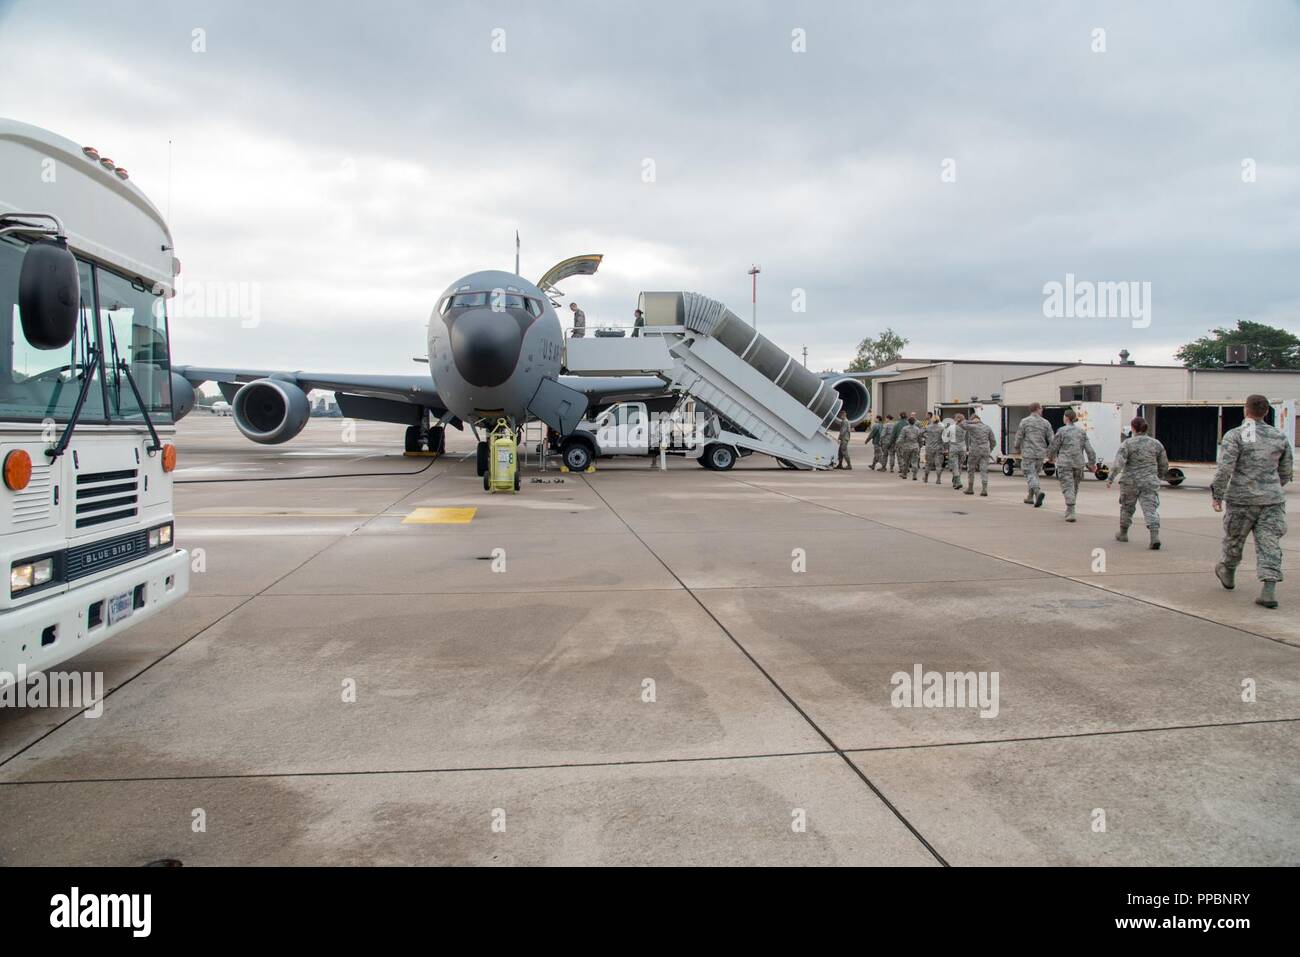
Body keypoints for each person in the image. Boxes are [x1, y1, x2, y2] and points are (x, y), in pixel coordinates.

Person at [1211, 394, 1293, 609]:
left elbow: (1225, 468)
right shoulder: (1278, 436)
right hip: (1272, 500)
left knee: (1234, 540)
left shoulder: (1236, 435)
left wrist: (1217, 495)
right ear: (1266, 412)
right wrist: (1270, 487)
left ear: (1245, 410)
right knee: (1270, 544)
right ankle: (1268, 590)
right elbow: (1285, 472)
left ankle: (1228, 570)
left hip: (1241, 499)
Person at [1108, 416, 1169, 549]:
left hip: (1130, 482)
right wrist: (1159, 476)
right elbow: (1164, 464)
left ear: (1133, 428)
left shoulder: (1127, 444)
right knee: (1150, 509)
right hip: (1149, 482)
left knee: (1127, 507)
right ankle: (1154, 536)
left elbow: (1119, 463)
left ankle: (1123, 533)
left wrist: (1110, 478)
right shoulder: (1156, 444)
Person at [1046, 409, 1096, 522]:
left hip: (1065, 463)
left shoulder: (1062, 431)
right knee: (1074, 487)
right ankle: (1070, 509)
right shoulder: (1081, 432)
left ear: (1067, 418)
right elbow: (1090, 450)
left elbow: (1054, 446)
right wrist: (1091, 463)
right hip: (1078, 463)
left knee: (1067, 487)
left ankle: (1071, 510)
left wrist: (1050, 457)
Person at [1013, 402, 1055, 508]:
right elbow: (1052, 439)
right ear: (1037, 409)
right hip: (1040, 453)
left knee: (1030, 474)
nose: (1042, 410)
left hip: (1028, 453)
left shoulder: (1024, 421)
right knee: (1035, 475)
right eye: (1041, 408)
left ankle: (1037, 492)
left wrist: (1017, 448)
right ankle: (1030, 497)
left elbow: (1019, 436)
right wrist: (1051, 453)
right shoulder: (1046, 422)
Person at [962, 412, 995, 496]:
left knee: (971, 469)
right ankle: (984, 489)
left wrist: (971, 422)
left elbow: (962, 424)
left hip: (974, 451)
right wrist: (989, 449)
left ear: (973, 420)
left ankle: (970, 488)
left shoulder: (972, 426)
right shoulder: (987, 427)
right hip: (985, 451)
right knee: (984, 470)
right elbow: (993, 441)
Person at [944, 413, 966, 489]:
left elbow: (946, 438)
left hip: (953, 447)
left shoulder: (951, 427)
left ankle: (958, 481)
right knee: (959, 466)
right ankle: (955, 481)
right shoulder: (965, 427)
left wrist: (946, 447)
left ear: (956, 419)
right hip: (962, 448)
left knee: (955, 465)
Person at [896, 415, 922, 480]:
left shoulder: (904, 428)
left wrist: (897, 444)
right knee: (915, 461)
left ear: (908, 421)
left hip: (906, 447)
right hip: (915, 447)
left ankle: (904, 474)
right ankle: (914, 475)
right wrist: (920, 445)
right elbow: (920, 439)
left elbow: (901, 438)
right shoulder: (917, 429)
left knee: (905, 461)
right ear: (914, 422)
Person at [921, 415, 946, 483]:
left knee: (928, 463)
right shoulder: (942, 427)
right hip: (939, 447)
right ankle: (938, 479)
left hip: (929, 447)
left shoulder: (928, 427)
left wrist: (926, 436)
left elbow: (920, 432)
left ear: (932, 420)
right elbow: (945, 438)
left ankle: (926, 478)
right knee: (938, 464)